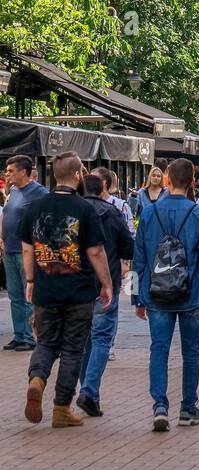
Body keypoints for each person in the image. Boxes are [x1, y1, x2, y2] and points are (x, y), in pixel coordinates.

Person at [21, 153, 112, 428]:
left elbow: (27, 248)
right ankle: (61, 408)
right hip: (78, 290)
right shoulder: (85, 209)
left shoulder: (34, 207)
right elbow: (95, 251)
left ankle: (37, 379)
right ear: (77, 175)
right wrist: (106, 283)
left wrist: (31, 280)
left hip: (45, 289)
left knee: (46, 342)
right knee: (73, 349)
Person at [132, 157, 199, 431]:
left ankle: (160, 404)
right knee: (191, 351)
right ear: (193, 181)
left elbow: (139, 257)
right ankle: (188, 407)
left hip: (155, 291)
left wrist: (137, 296)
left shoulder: (148, 213)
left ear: (167, 179)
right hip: (190, 292)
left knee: (159, 349)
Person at [77, 173, 135, 415]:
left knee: (83, 340)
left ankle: (88, 392)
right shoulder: (111, 212)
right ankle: (89, 391)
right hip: (105, 283)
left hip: (77, 284)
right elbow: (128, 246)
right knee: (101, 337)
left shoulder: (74, 210)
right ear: (103, 188)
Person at [0, 154, 48, 350]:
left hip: (26, 251)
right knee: (15, 295)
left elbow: (46, 220)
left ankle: (30, 336)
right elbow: (7, 214)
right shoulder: (14, 191)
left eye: (11, 171)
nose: (7, 174)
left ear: (23, 171)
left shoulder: (39, 193)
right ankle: (19, 334)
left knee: (29, 295)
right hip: (10, 249)